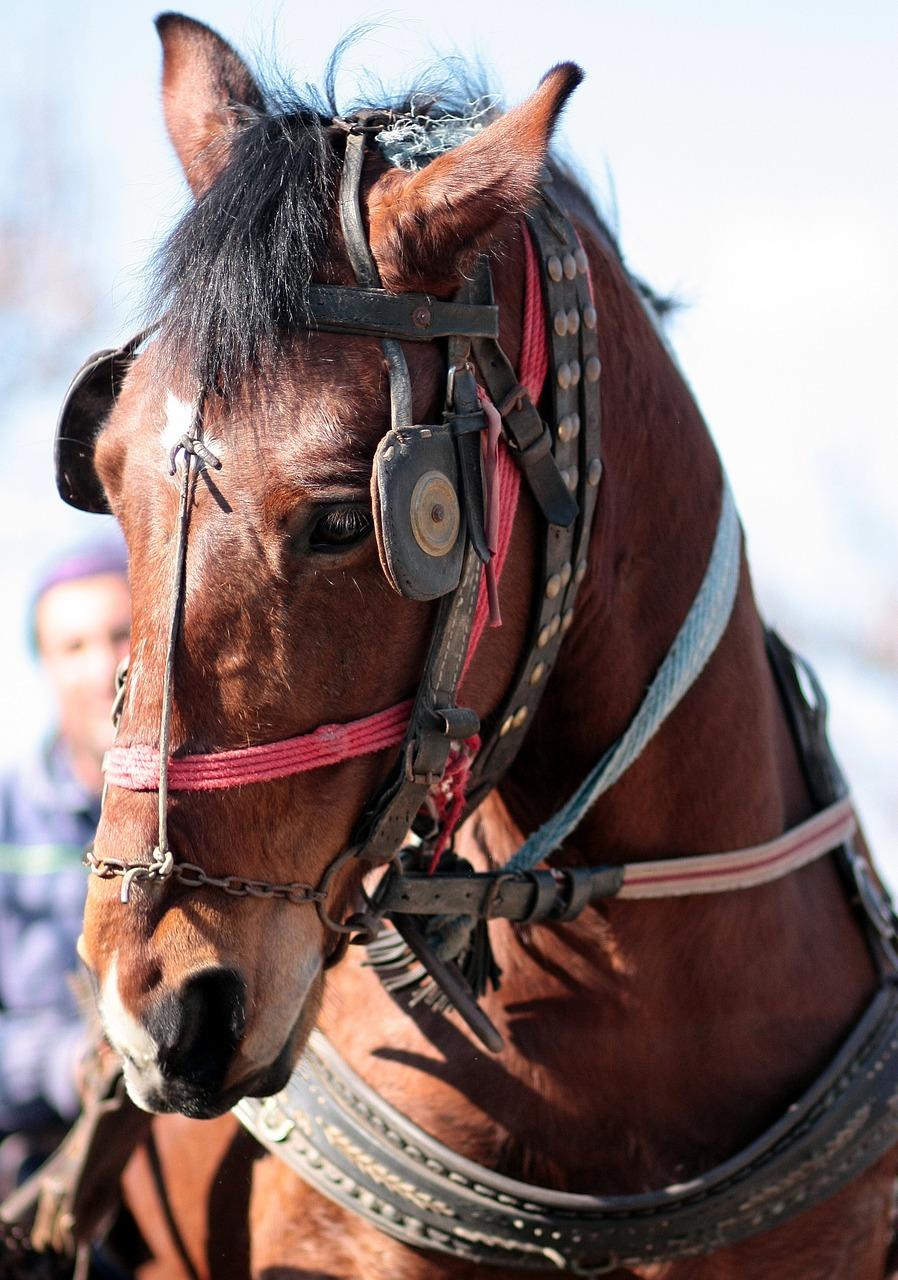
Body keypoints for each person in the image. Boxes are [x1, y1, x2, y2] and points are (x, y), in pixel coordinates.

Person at [0, 537, 129, 1192]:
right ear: (44, 667)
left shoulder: (223, 818)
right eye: (74, 648)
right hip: (42, 1148)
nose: (105, 667)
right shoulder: (7, 820)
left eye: (123, 634)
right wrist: (63, 1063)